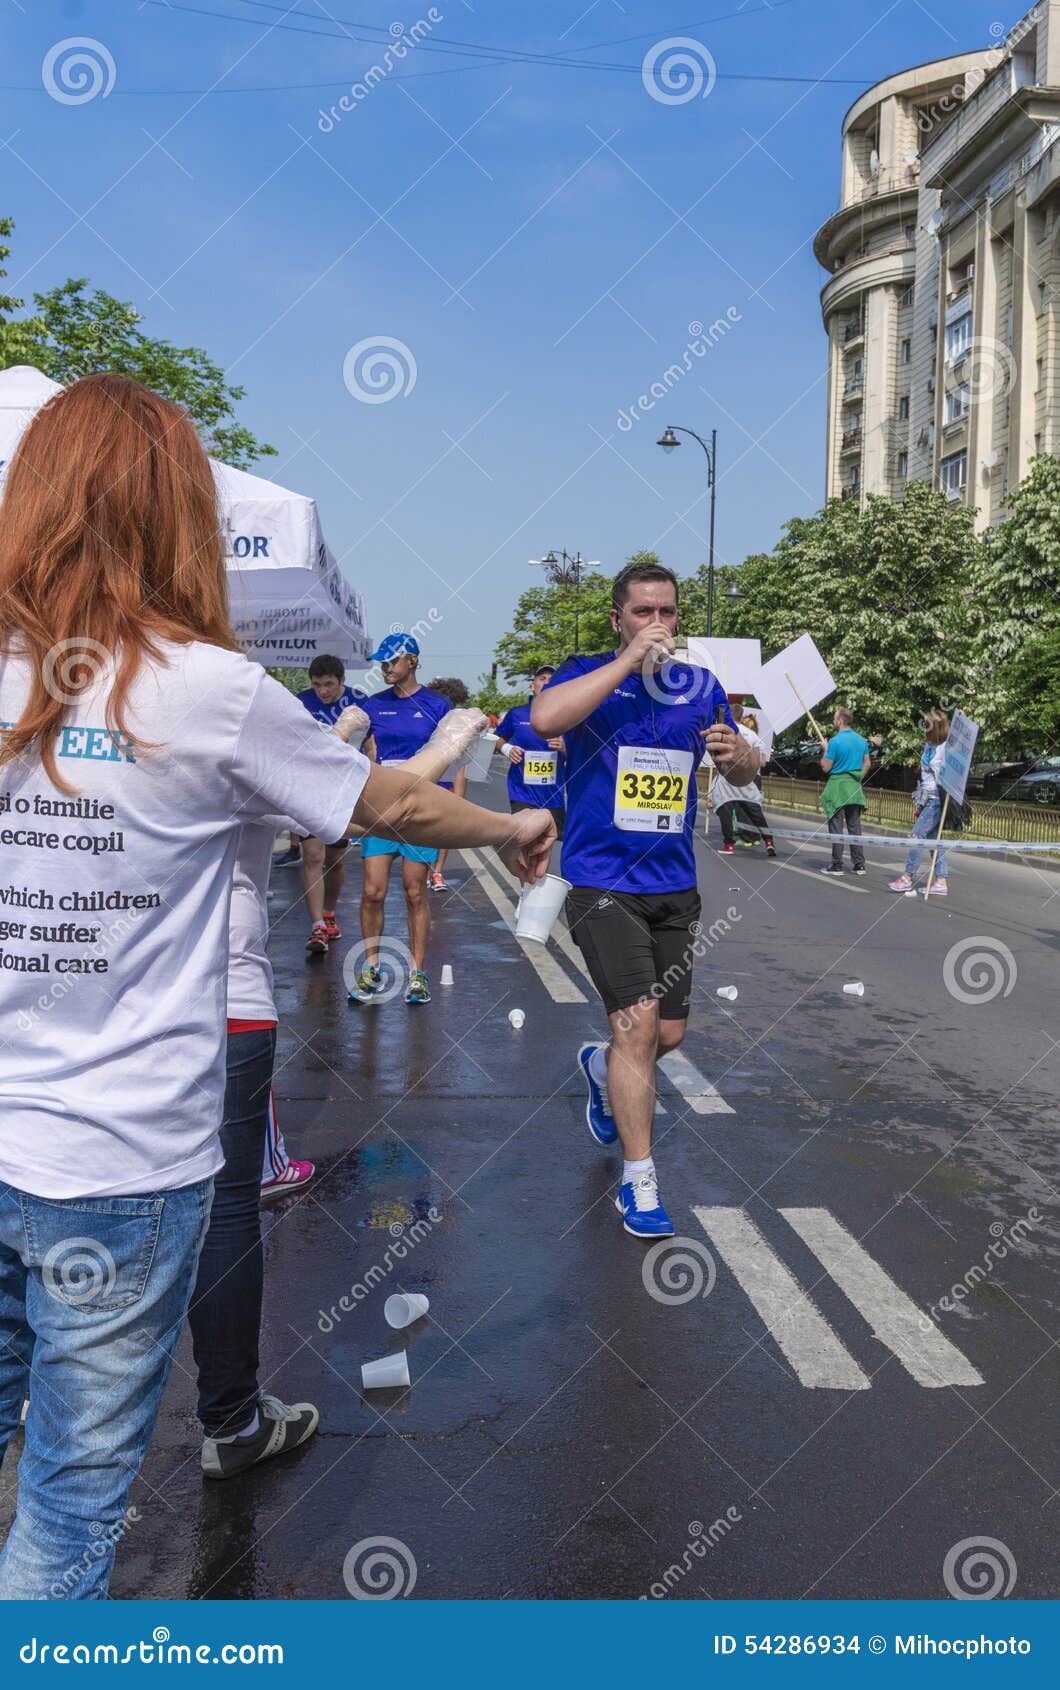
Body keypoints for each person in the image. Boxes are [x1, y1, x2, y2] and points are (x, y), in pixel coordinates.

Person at [0, 374, 554, 1597]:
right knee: (70, 1506)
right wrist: (510, 830)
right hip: (120, 1161)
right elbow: (391, 801)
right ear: (176, 515)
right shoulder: (205, 689)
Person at [194, 706, 488, 1482]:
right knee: (219, 1210)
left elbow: (347, 791)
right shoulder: (210, 699)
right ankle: (225, 1419)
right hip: (219, 1006)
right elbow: (375, 799)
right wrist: (462, 765)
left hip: (70, 1005)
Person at [531, 560, 755, 1240]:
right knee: (636, 1021)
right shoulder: (588, 671)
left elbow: (743, 768)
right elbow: (546, 718)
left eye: (668, 612)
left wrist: (737, 751)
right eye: (643, 612)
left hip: (673, 885)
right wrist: (627, 663)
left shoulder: (700, 686)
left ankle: (600, 1072)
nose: (658, 624)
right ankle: (641, 1183)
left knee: (668, 1034)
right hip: (602, 881)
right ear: (617, 618)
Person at [351, 635, 453, 1006]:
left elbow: (449, 755)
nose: (386, 668)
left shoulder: (437, 704)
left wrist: (449, 801)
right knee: (372, 891)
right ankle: (372, 968)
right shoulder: (373, 705)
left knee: (414, 891)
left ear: (412, 661)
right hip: (382, 809)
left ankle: (417, 972)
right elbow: (361, 751)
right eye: (382, 663)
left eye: (391, 662)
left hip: (420, 809)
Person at [295, 656, 367, 953]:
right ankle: (317, 926)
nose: (322, 691)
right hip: (309, 789)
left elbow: (371, 744)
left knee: (334, 861)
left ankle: (329, 912)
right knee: (312, 856)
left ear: (341, 681)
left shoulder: (358, 702)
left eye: (328, 685)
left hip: (344, 790)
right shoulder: (300, 703)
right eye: (316, 685)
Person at [495, 666, 567, 843]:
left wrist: (566, 747)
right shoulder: (517, 713)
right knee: (523, 839)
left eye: (552, 680)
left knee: (549, 842)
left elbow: (585, 747)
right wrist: (507, 749)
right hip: (522, 793)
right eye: (542, 678)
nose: (546, 683)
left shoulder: (567, 715)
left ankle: (540, 871)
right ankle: (523, 871)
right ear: (532, 686)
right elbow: (495, 739)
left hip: (553, 795)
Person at [889, 708, 951, 896]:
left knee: (916, 836)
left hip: (937, 800)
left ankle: (908, 877)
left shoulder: (945, 748)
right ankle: (941, 881)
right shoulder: (929, 746)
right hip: (927, 798)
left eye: (928, 725)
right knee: (934, 840)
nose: (924, 728)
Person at [707, 702, 775, 856]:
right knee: (755, 812)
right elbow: (760, 760)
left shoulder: (724, 732)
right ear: (741, 715)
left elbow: (716, 756)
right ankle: (769, 842)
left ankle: (728, 845)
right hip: (746, 778)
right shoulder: (752, 735)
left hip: (727, 778)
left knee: (725, 810)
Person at [425, 676, 471, 891]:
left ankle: (437, 872)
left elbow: (461, 761)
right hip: (427, 778)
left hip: (448, 780)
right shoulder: (426, 719)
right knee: (424, 829)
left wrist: (459, 794)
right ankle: (424, 870)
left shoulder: (458, 725)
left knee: (445, 829)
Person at [819, 707, 870, 877]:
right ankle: (859, 865)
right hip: (854, 788)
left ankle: (837, 865)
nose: (834, 722)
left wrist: (825, 748)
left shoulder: (834, 741)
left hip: (837, 789)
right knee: (855, 827)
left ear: (840, 720)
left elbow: (826, 767)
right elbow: (867, 764)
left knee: (836, 828)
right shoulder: (862, 741)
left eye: (835, 718)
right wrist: (856, 778)